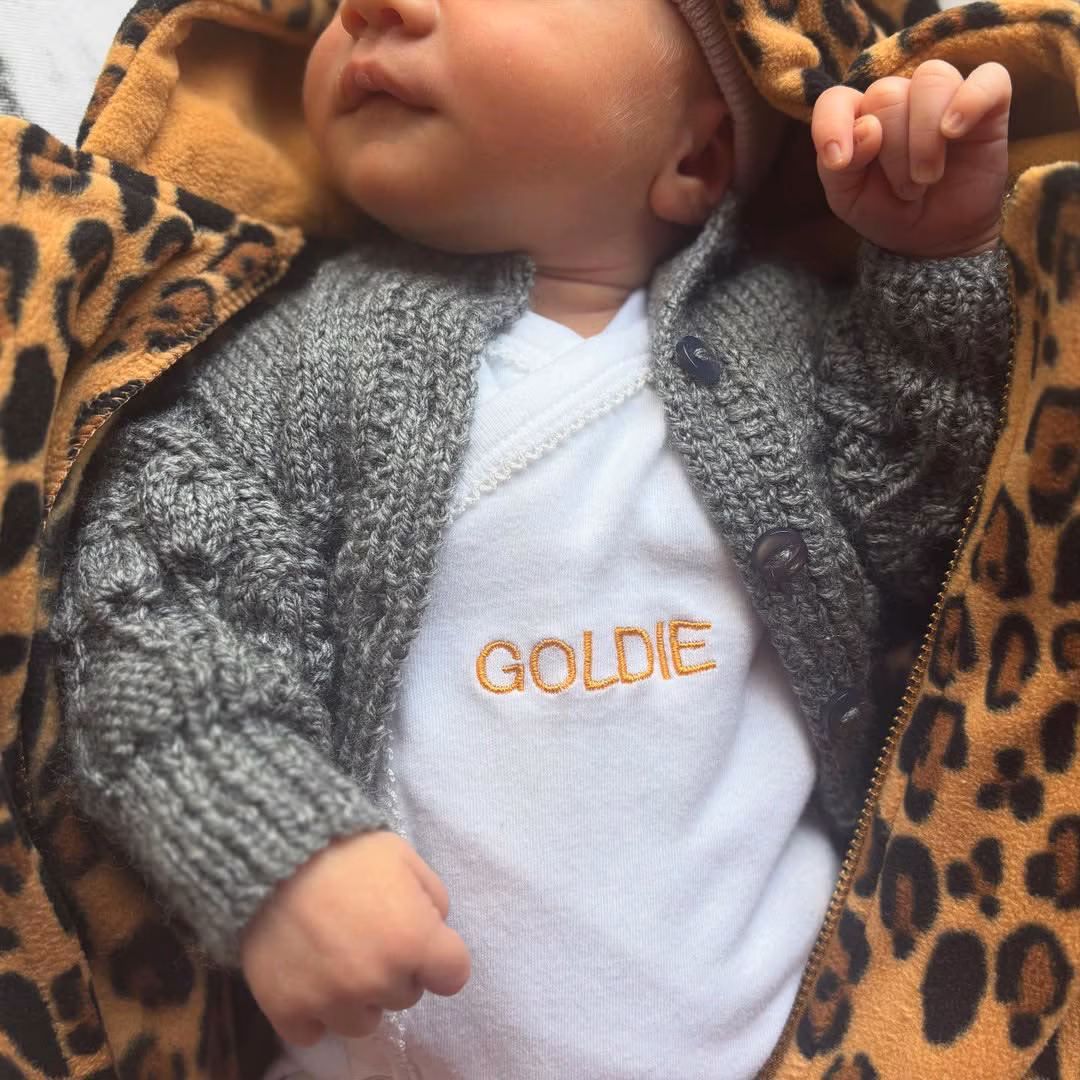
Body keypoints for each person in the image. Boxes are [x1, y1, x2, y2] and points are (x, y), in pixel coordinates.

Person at [50, 0, 1013, 1076]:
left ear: (695, 156)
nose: (371, 8)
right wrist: (274, 851)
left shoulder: (782, 343)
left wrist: (931, 262)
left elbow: (941, 539)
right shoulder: (295, 360)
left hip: (801, 1040)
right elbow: (155, 611)